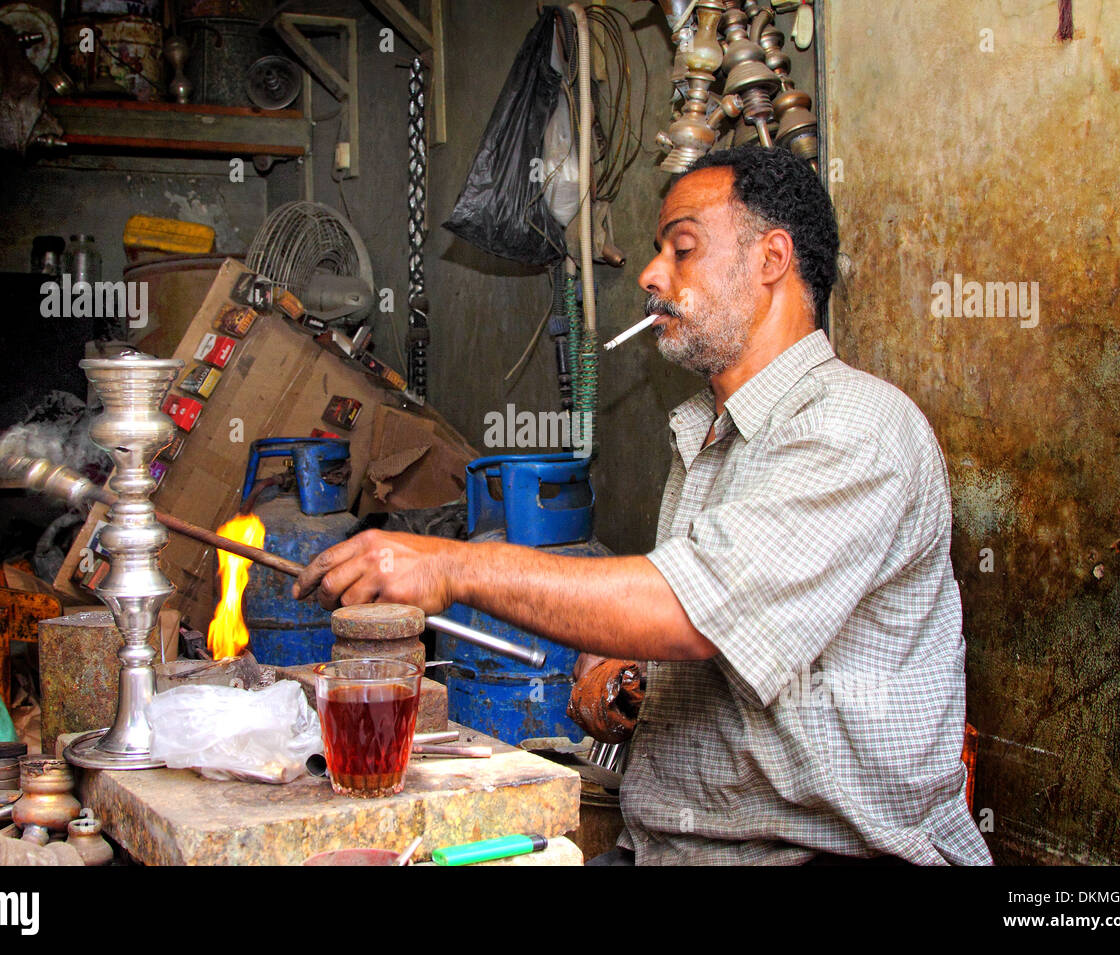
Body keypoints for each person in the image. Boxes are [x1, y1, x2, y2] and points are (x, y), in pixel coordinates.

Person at [293, 144, 992, 866]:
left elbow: (690, 614)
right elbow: (718, 622)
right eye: (659, 250)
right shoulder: (709, 434)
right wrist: (633, 677)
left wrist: (454, 567)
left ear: (772, 259)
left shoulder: (854, 427)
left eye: (682, 249)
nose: (653, 275)